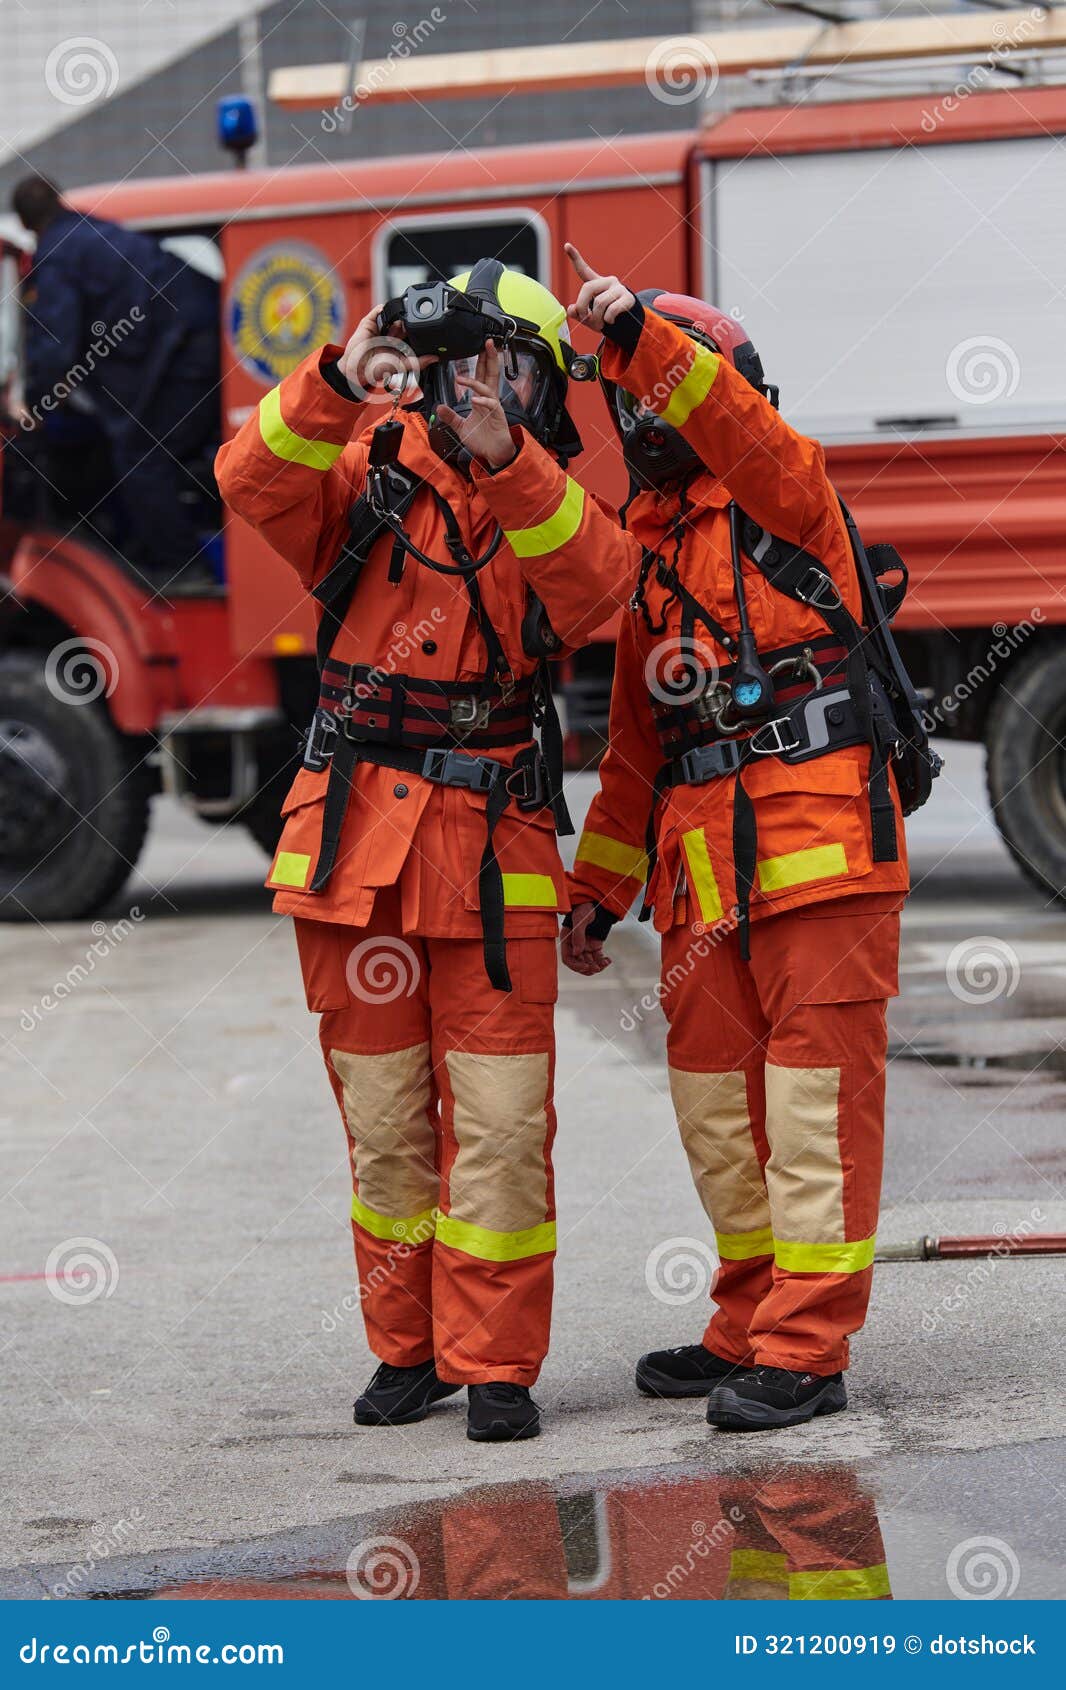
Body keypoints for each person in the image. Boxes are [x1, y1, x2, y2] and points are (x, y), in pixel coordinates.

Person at [215, 260, 631, 1442]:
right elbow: (248, 478)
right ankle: (407, 1351)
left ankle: (495, 1365)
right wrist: (344, 374)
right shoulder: (367, 465)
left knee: (500, 1125)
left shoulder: (541, 492)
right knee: (386, 1118)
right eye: (467, 358)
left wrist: (502, 456)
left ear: (545, 387)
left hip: (489, 846)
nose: (480, 382)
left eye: (509, 366)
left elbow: (598, 592)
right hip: (357, 847)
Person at [558, 244, 910, 1430]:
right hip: (702, 876)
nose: (629, 415)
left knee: (813, 1114)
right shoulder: (649, 553)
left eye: (643, 393)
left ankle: (807, 1350)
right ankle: (748, 1320)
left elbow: (739, 434)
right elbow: (633, 748)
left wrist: (635, 331)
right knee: (721, 1113)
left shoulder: (786, 492)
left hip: (819, 859)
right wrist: (595, 892)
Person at [12, 174, 219, 587]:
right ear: (57, 199)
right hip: (202, 339)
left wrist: (33, 405)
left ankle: (184, 572)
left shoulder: (56, 256)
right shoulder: (95, 231)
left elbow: (55, 348)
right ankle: (160, 548)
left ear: (27, 224)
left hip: (184, 353)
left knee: (140, 456)